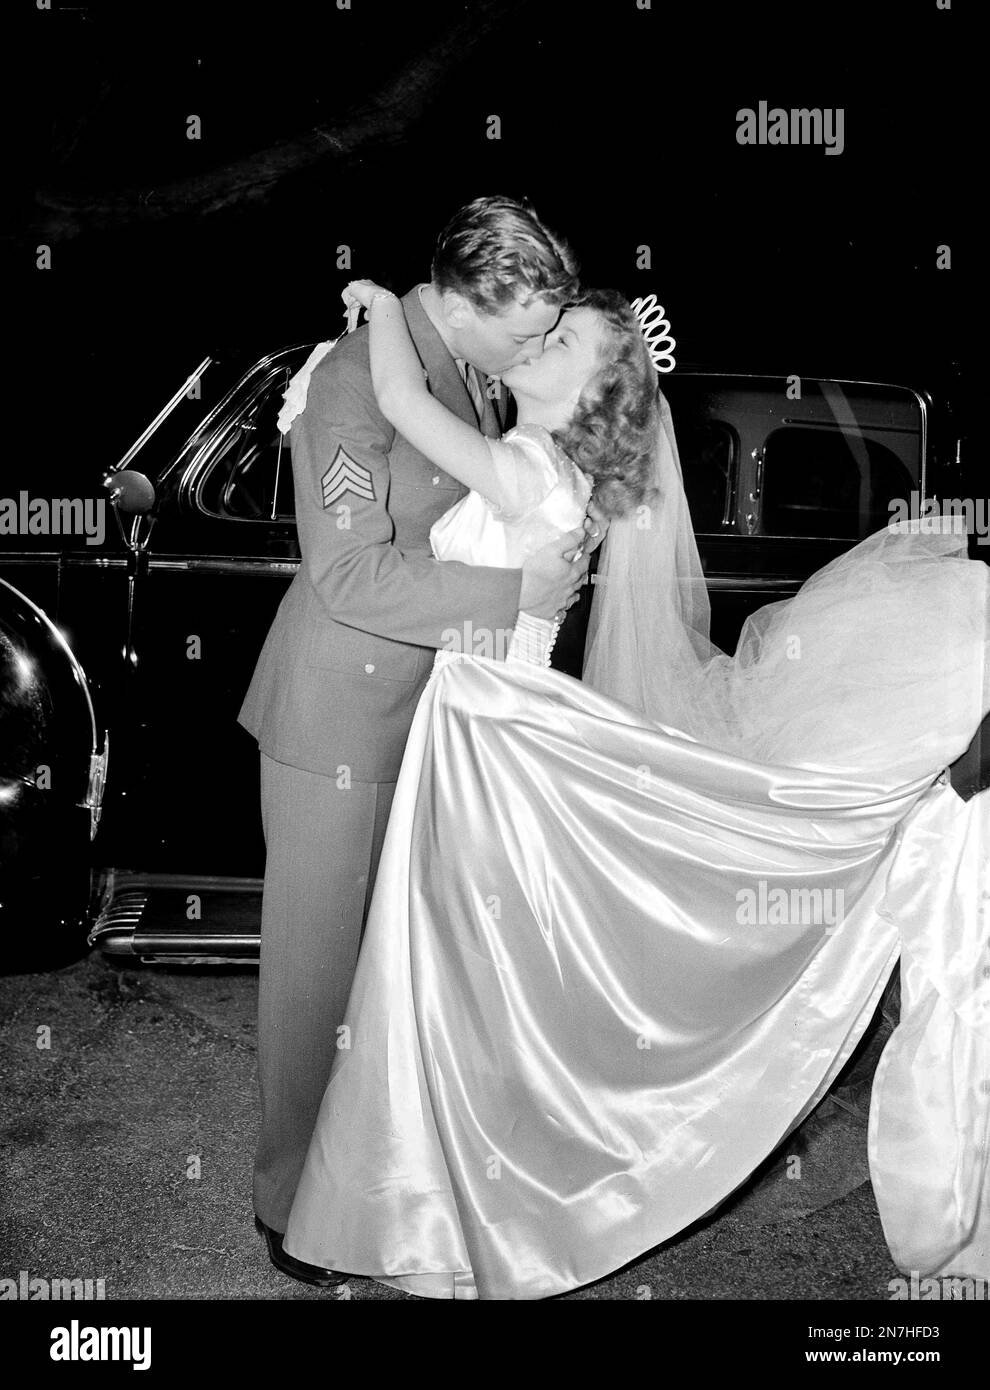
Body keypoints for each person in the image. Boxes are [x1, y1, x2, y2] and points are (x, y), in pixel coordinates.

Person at [283, 278, 990, 1299]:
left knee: (451, 977)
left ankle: (447, 1215)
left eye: (563, 336)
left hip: (492, 735)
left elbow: (397, 403)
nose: (540, 334)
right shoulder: (532, 458)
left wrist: (386, 310)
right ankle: (427, 1209)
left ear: (594, 390)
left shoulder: (534, 468)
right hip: (486, 728)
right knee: (455, 979)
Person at [237, 196, 602, 1285]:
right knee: (314, 974)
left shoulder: (473, 368)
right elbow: (346, 572)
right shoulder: (351, 380)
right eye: (527, 328)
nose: (538, 347)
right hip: (336, 715)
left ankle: (370, 1178)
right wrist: (515, 589)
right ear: (461, 302)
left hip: (434, 708)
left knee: (391, 967)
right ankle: (286, 1202)